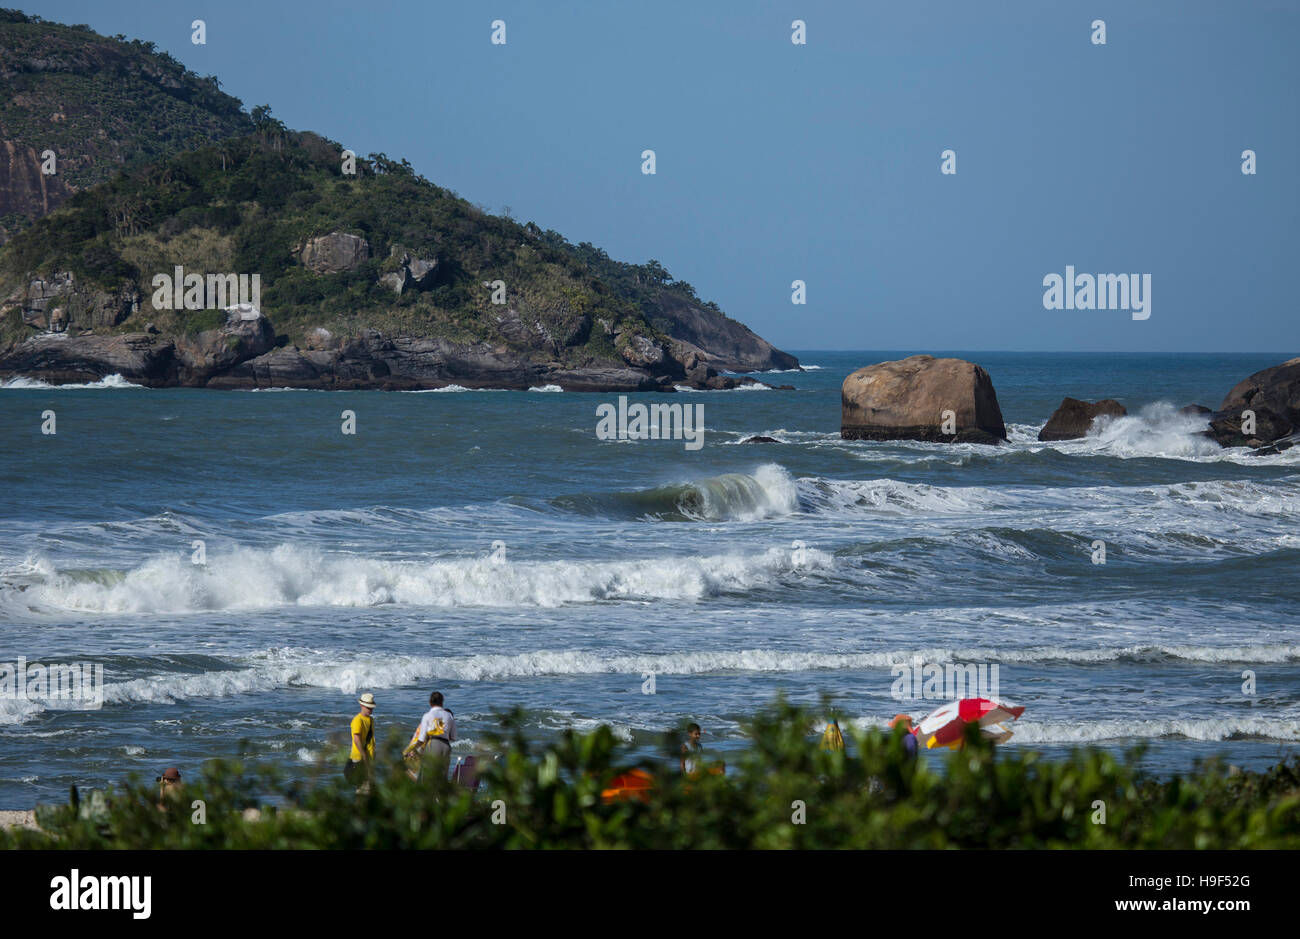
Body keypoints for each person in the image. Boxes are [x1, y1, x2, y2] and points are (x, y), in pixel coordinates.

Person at [403, 691, 456, 779]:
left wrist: (409, 750)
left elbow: (421, 740)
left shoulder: (428, 715)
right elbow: (453, 737)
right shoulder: (449, 715)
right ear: (442, 702)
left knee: (429, 777)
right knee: (443, 777)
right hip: (446, 746)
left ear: (430, 702)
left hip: (433, 744)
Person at [346, 693, 377, 790]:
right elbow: (356, 739)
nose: (370, 710)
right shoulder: (357, 720)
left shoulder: (370, 719)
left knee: (367, 786)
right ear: (361, 706)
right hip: (360, 757)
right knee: (362, 786)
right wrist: (364, 755)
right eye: (368, 708)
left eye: (371, 708)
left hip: (368, 756)